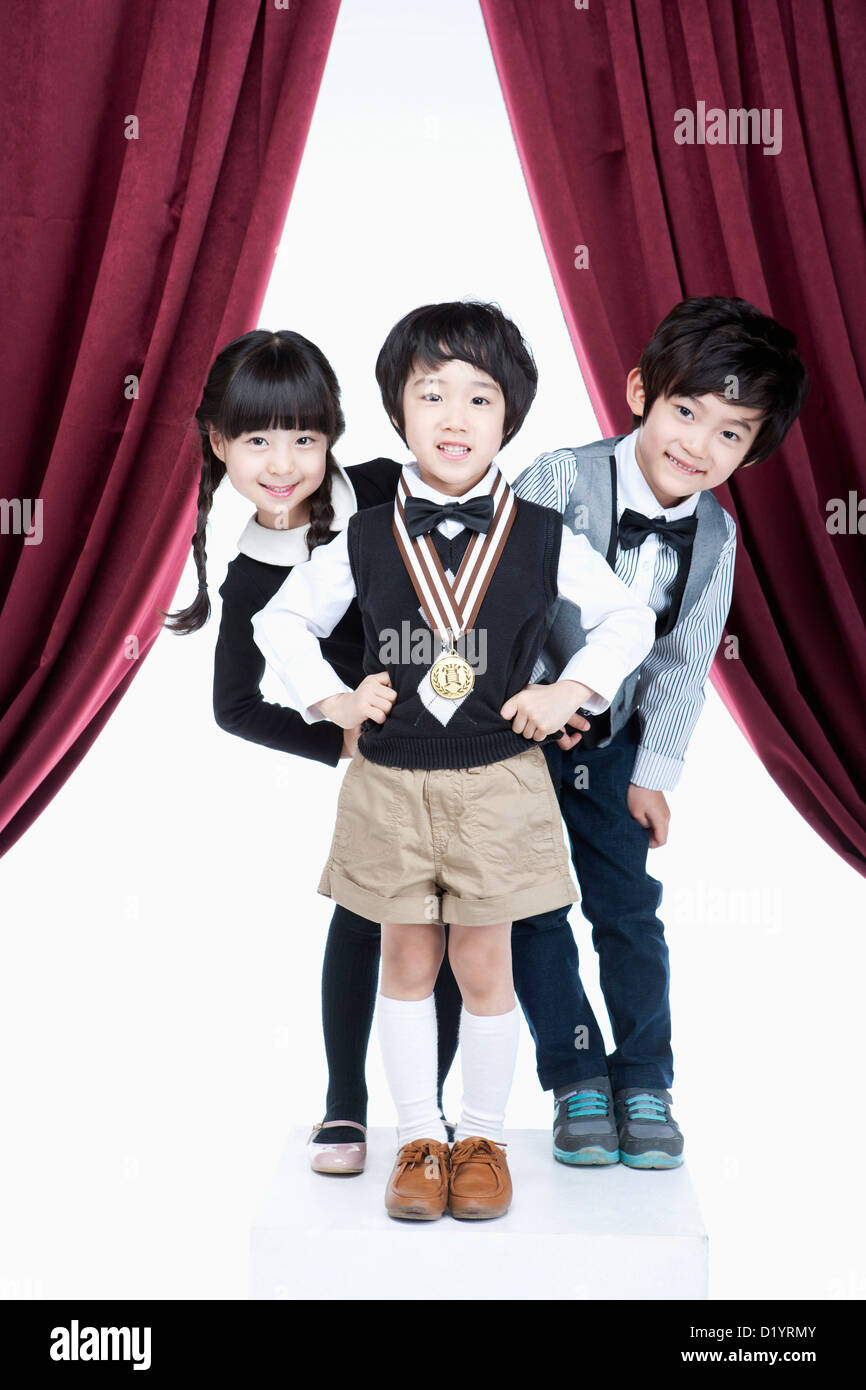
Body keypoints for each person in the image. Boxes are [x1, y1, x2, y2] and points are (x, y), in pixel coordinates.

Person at [253, 301, 656, 1220]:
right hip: (390, 784)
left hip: (501, 783)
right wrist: (334, 699)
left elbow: (629, 618)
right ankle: (416, 1139)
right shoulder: (362, 536)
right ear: (399, 410)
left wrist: (571, 692)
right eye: (430, 393)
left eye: (479, 398)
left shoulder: (543, 532)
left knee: (484, 966)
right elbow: (277, 619)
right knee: (403, 961)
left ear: (509, 416)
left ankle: (480, 1135)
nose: (454, 416)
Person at [510, 296, 810, 1169]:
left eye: (730, 433)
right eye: (686, 412)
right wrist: (537, 699)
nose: (697, 445)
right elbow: (502, 596)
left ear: (755, 449)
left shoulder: (717, 536)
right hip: (520, 733)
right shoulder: (560, 479)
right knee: (534, 907)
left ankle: (644, 1076)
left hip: (613, 745)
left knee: (630, 914)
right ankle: (576, 1080)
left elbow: (683, 662)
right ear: (642, 390)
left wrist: (654, 774)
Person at [163, 328, 463, 1175]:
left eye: (305, 436)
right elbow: (234, 708)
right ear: (220, 444)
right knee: (366, 916)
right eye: (257, 439)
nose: (283, 460)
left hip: (472, 741)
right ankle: (344, 1108)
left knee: (454, 923)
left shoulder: (381, 492)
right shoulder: (252, 574)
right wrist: (343, 742)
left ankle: (427, 1113)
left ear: (332, 434)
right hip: (384, 771)